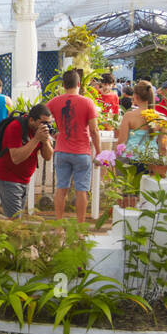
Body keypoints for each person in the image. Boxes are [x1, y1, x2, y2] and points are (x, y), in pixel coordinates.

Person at [46, 68, 101, 222]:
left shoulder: (55, 102)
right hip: (82, 152)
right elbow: (94, 130)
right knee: (81, 191)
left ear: (63, 85)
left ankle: (58, 226)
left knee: (61, 189)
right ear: (79, 84)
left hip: (62, 150)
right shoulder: (87, 102)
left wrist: (52, 133)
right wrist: (99, 151)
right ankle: (80, 228)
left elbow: (40, 117)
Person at [0, 104, 55, 218]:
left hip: (24, 181)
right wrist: (36, 139)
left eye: (49, 123)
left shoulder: (40, 132)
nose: (46, 126)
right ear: (31, 120)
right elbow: (16, 158)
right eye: (43, 123)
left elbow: (48, 157)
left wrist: (45, 141)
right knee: (15, 221)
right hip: (8, 179)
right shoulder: (15, 127)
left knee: (17, 220)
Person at [114, 80, 159, 207]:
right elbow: (163, 146)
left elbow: (121, 142)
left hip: (131, 158)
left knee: (129, 196)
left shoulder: (129, 116)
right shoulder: (160, 117)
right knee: (148, 197)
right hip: (152, 159)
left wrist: (115, 158)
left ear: (136, 97)